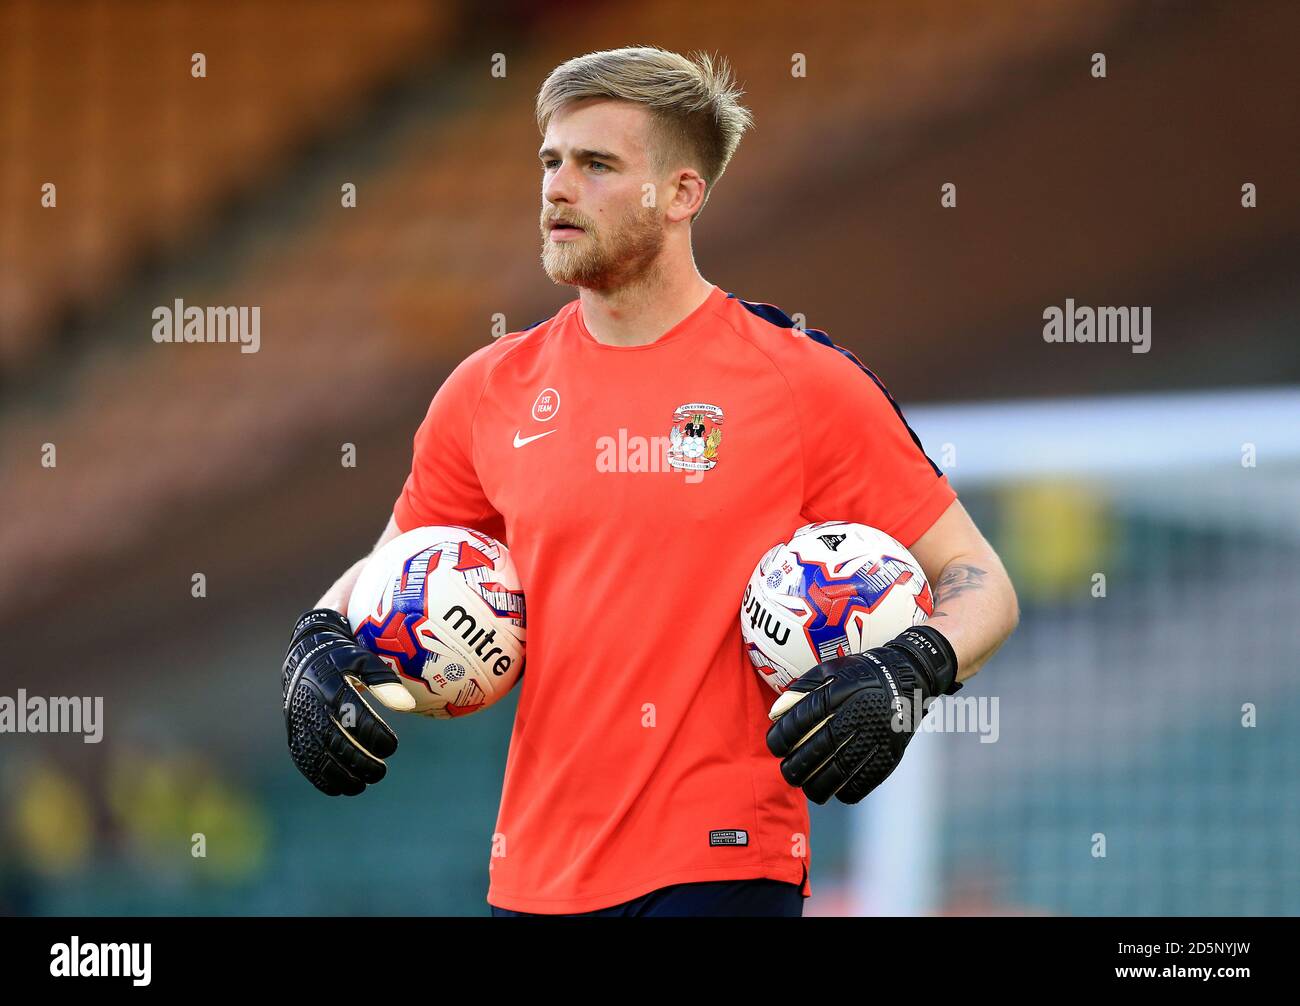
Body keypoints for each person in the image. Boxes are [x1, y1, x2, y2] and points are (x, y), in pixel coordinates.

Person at [281, 46, 1019, 918]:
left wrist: (910, 667)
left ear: (681, 195)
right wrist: (318, 643)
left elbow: (981, 584)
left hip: (722, 865)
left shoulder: (799, 381)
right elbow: (392, 565)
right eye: (551, 162)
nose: (558, 187)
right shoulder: (487, 389)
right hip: (534, 874)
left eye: (597, 165)